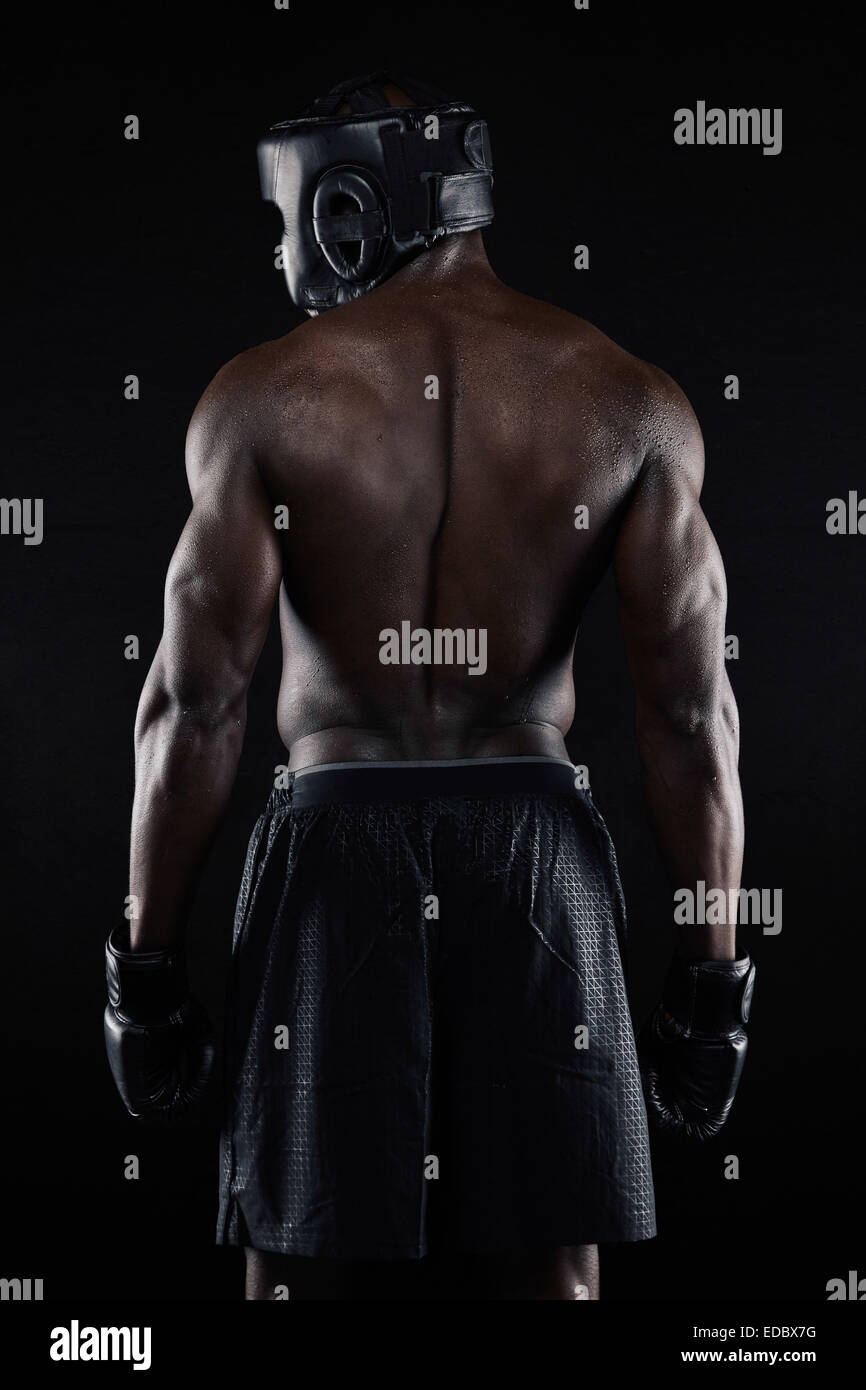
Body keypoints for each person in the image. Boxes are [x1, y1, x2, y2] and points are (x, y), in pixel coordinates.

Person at [103, 72, 755, 1301]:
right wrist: (711, 981)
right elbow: (688, 721)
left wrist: (145, 971)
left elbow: (194, 713)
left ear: (345, 206)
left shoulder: (261, 399)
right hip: (534, 859)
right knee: (548, 1278)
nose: (277, 240)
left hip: (335, 850)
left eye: (287, 209)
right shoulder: (627, 402)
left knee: (300, 1275)